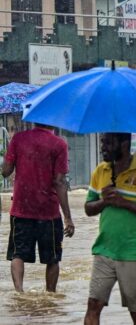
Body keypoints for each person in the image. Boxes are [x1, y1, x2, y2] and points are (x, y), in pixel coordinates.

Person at [84, 132, 136, 325]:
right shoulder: (100, 171)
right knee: (93, 305)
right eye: (103, 142)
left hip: (133, 253)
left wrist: (124, 203)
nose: (103, 147)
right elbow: (88, 208)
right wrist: (104, 201)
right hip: (104, 250)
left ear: (124, 144)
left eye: (109, 143)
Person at [2, 123, 74, 293]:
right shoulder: (59, 144)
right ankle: (50, 296)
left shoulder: (18, 139)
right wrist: (68, 217)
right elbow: (59, 182)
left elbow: (5, 171)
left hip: (21, 209)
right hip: (48, 212)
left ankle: (19, 294)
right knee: (52, 258)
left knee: (17, 254)